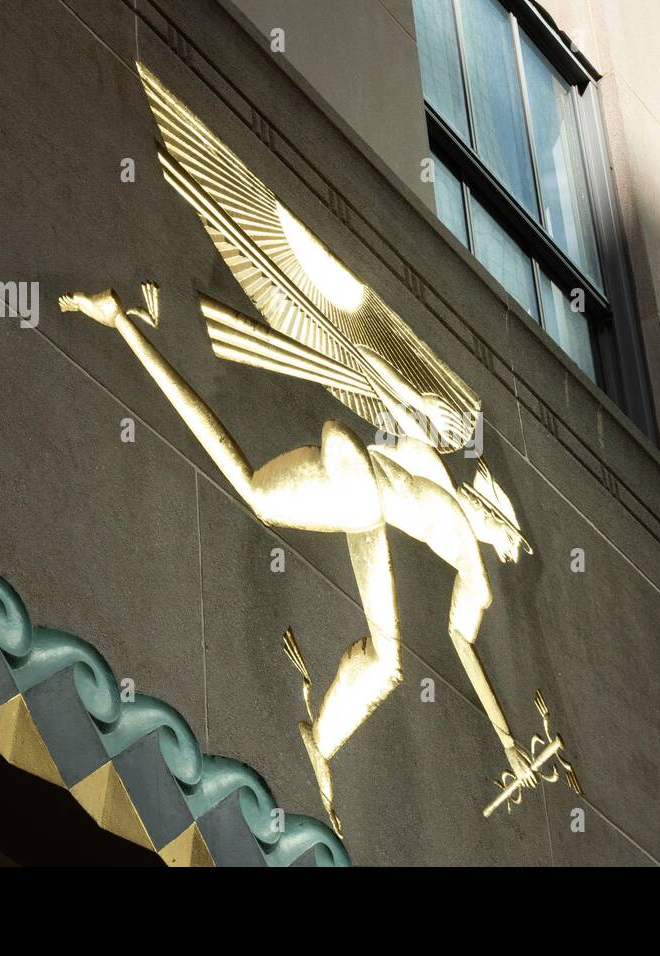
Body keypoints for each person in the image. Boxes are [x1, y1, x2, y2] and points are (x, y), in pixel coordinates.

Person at [59, 288, 536, 835]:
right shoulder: (442, 490)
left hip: (353, 482)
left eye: (510, 549)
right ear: (497, 516)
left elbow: (461, 638)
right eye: (509, 539)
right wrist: (507, 741)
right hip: (357, 481)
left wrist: (506, 739)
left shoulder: (447, 508)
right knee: (360, 566)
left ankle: (121, 320)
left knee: (262, 502)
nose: (504, 550)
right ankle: (136, 318)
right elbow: (461, 640)